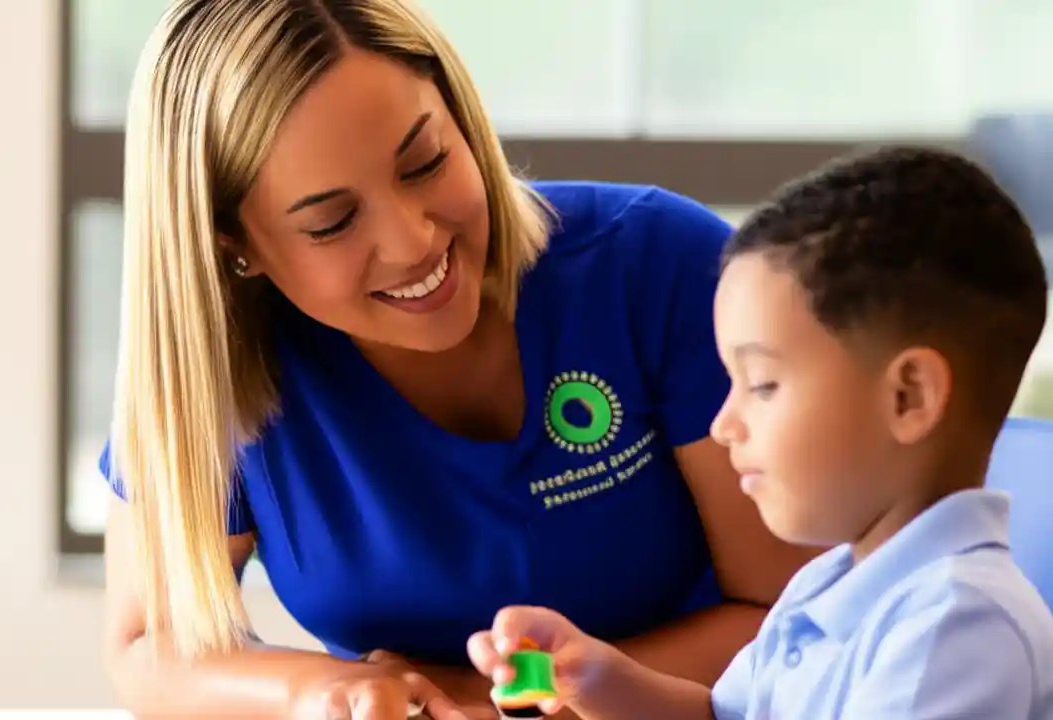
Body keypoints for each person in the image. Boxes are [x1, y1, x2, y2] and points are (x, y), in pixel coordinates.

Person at [97, 1, 811, 717]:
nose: (413, 242)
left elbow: (800, 612)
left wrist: (494, 701)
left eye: (425, 162)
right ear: (235, 245)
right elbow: (150, 645)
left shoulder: (656, 267)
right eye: (332, 222)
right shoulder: (212, 372)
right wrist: (324, 693)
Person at [467, 146, 1053, 719]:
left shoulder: (957, 626)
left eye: (764, 384)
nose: (723, 425)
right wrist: (599, 681)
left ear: (909, 397)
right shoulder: (826, 585)